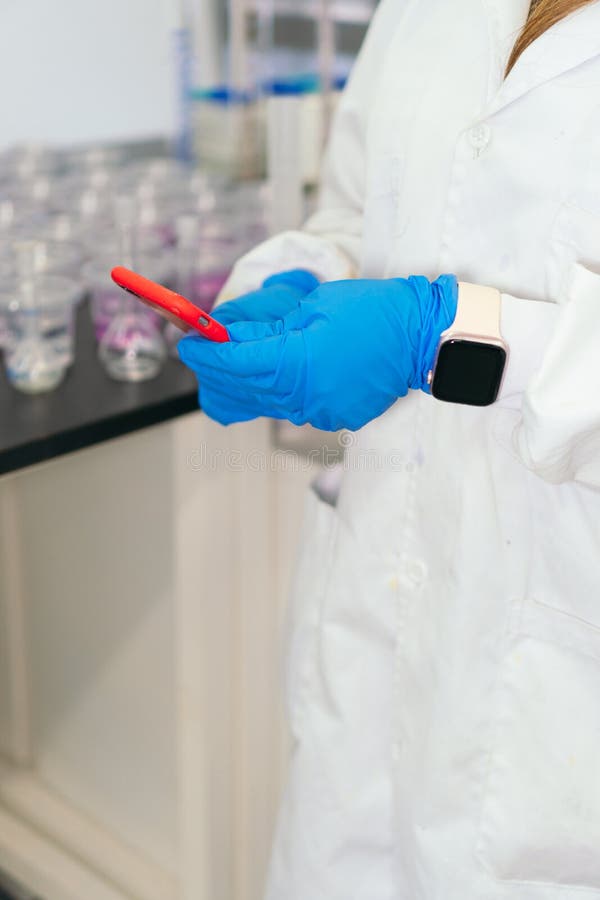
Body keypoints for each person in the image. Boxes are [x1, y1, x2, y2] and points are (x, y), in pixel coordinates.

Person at [178, 0, 600, 897]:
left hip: (564, 732)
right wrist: (290, 285)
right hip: (371, 659)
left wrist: (451, 336)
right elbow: (363, 212)